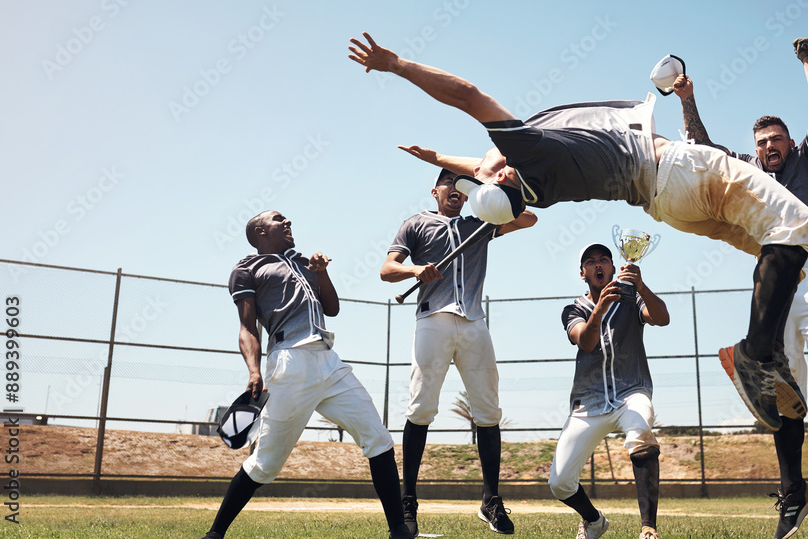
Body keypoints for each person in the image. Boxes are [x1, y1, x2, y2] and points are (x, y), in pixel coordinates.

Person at [348, 32, 808, 436]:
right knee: (798, 225)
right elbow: (467, 95)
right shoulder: (523, 151)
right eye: (485, 173)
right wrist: (396, 64)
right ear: (505, 175)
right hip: (678, 171)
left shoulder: (530, 187)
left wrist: (436, 160)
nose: (478, 164)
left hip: (666, 205)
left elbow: (479, 169)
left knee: (783, 259)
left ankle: (767, 351)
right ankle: (754, 355)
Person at [674, 38, 808, 536]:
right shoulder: (751, 174)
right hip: (772, 286)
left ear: (790, 142)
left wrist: (807, 61)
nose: (769, 147)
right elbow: (704, 152)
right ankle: (793, 492)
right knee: (782, 392)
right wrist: (687, 99)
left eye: (776, 139)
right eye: (762, 142)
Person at [202, 210, 412, 539]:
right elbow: (247, 327)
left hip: (329, 361)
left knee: (378, 439)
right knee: (265, 465)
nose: (287, 223)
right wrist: (254, 370)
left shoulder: (303, 261)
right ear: (260, 231)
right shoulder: (247, 269)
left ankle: (399, 530)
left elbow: (332, 309)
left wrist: (321, 273)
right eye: (278, 220)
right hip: (290, 363)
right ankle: (215, 534)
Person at [380, 167, 536, 535]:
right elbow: (387, 270)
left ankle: (490, 501)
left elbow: (528, 217)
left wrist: (493, 195)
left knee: (488, 411)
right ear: (434, 190)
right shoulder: (414, 224)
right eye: (448, 181)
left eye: (461, 184)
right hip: (432, 318)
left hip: (474, 321)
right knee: (420, 410)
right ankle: (408, 503)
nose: (455, 187)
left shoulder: (480, 224)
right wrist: (416, 270)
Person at [549, 243, 670, 539]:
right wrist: (600, 307)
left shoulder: (632, 298)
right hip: (588, 403)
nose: (598, 264)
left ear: (614, 268)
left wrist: (641, 285)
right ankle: (594, 520)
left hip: (631, 392)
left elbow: (662, 318)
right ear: (583, 273)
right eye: (590, 262)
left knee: (641, 431)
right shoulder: (574, 309)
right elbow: (586, 342)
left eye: (604, 259)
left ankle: (648, 529)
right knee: (559, 482)